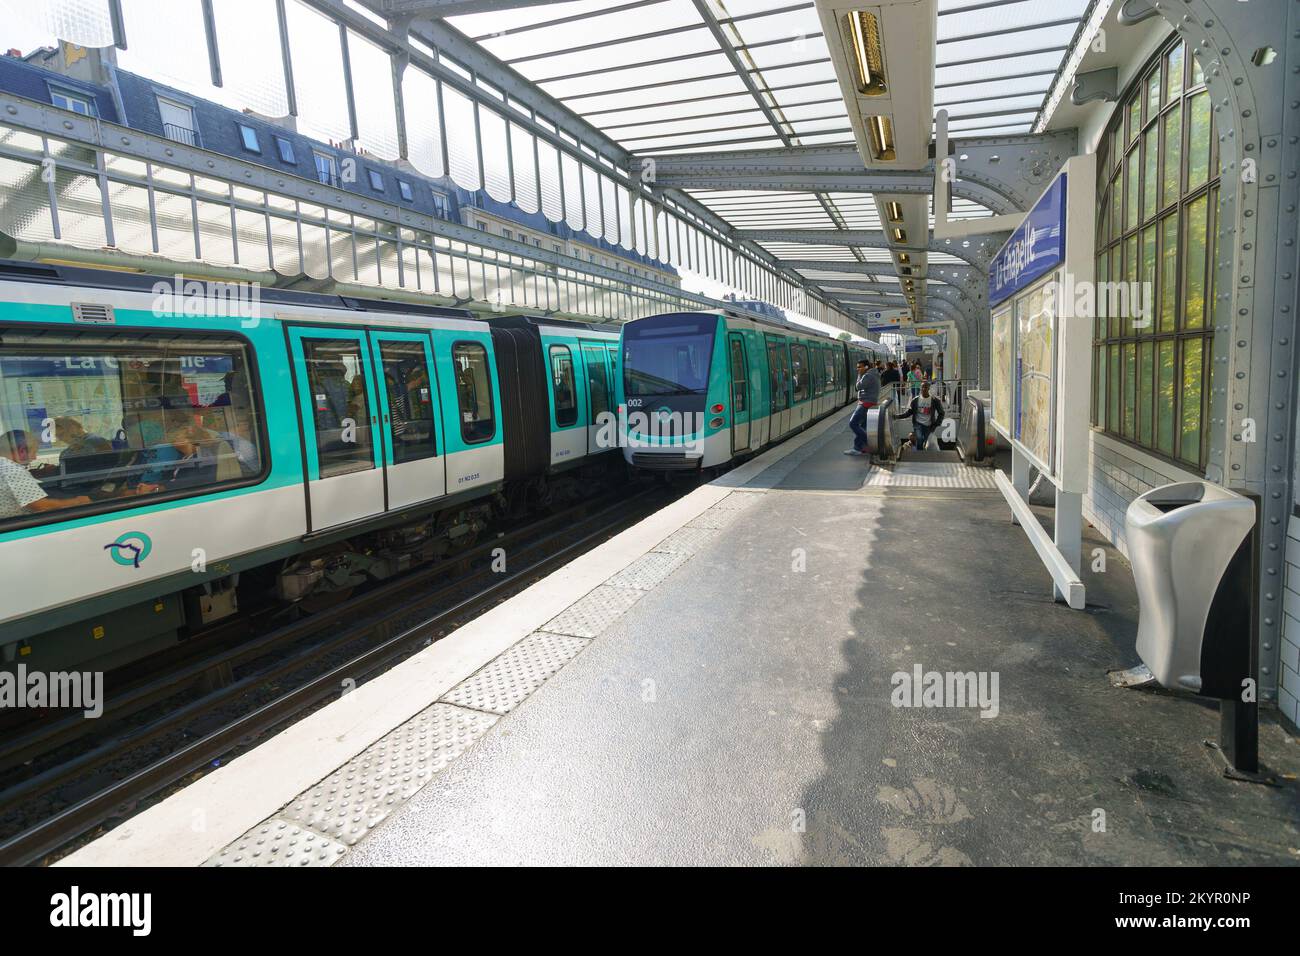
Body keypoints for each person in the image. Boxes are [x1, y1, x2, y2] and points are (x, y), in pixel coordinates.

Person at [0, 430, 91, 520]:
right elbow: (41, 506)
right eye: (34, 452)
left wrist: (39, 472)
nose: (34, 457)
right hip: (20, 524)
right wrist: (77, 501)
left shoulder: (4, 465)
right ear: (22, 450)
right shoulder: (14, 470)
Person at [895, 381, 945, 451]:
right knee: (919, 440)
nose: (924, 389)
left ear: (929, 388)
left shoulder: (934, 400)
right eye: (922, 387)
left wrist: (936, 424)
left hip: (929, 425)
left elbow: (941, 413)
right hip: (918, 424)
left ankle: (926, 456)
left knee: (928, 441)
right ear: (920, 388)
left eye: (926, 387)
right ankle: (919, 456)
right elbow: (909, 412)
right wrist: (897, 416)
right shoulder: (915, 400)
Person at [844, 359, 880, 456]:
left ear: (866, 367)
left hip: (865, 403)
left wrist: (859, 375)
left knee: (853, 423)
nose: (858, 369)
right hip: (870, 402)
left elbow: (858, 386)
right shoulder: (873, 374)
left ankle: (870, 444)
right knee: (863, 427)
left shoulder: (868, 376)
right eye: (857, 367)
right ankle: (858, 448)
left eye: (860, 367)